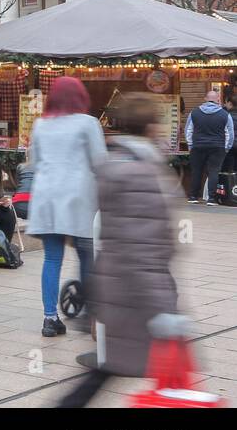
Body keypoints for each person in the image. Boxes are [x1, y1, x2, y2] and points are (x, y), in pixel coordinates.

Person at [60, 94, 178, 407]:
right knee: (157, 368)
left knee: (111, 368)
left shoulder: (114, 163)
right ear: (151, 127)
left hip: (115, 284)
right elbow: (141, 248)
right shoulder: (142, 172)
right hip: (137, 292)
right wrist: (163, 307)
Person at [28, 76, 107, 337]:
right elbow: (99, 161)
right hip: (79, 197)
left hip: (47, 197)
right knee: (86, 254)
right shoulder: (88, 123)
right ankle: (88, 313)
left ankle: (49, 318)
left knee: (52, 258)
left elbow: (36, 162)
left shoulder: (40, 124)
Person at [185, 89, 233, 205]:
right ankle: (211, 198)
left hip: (198, 146)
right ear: (218, 100)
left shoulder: (194, 113)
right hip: (217, 147)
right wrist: (226, 148)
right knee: (213, 172)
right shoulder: (225, 114)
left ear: (205, 99)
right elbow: (229, 134)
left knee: (196, 171)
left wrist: (190, 145)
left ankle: (193, 196)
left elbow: (188, 131)